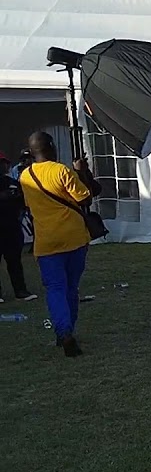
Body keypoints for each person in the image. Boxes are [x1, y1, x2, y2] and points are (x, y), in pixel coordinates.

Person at [19, 133, 101, 357]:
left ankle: (63, 332)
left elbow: (29, 204)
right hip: (73, 237)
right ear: (52, 148)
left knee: (55, 289)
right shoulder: (62, 170)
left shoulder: (25, 176)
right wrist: (80, 171)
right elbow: (85, 197)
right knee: (71, 287)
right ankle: (69, 329)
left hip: (46, 242)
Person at [0, 154, 36, 303]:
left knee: (14, 261)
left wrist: (15, 199)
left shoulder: (12, 183)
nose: (3, 166)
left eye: (4, 163)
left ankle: (20, 291)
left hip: (11, 227)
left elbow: (23, 202)